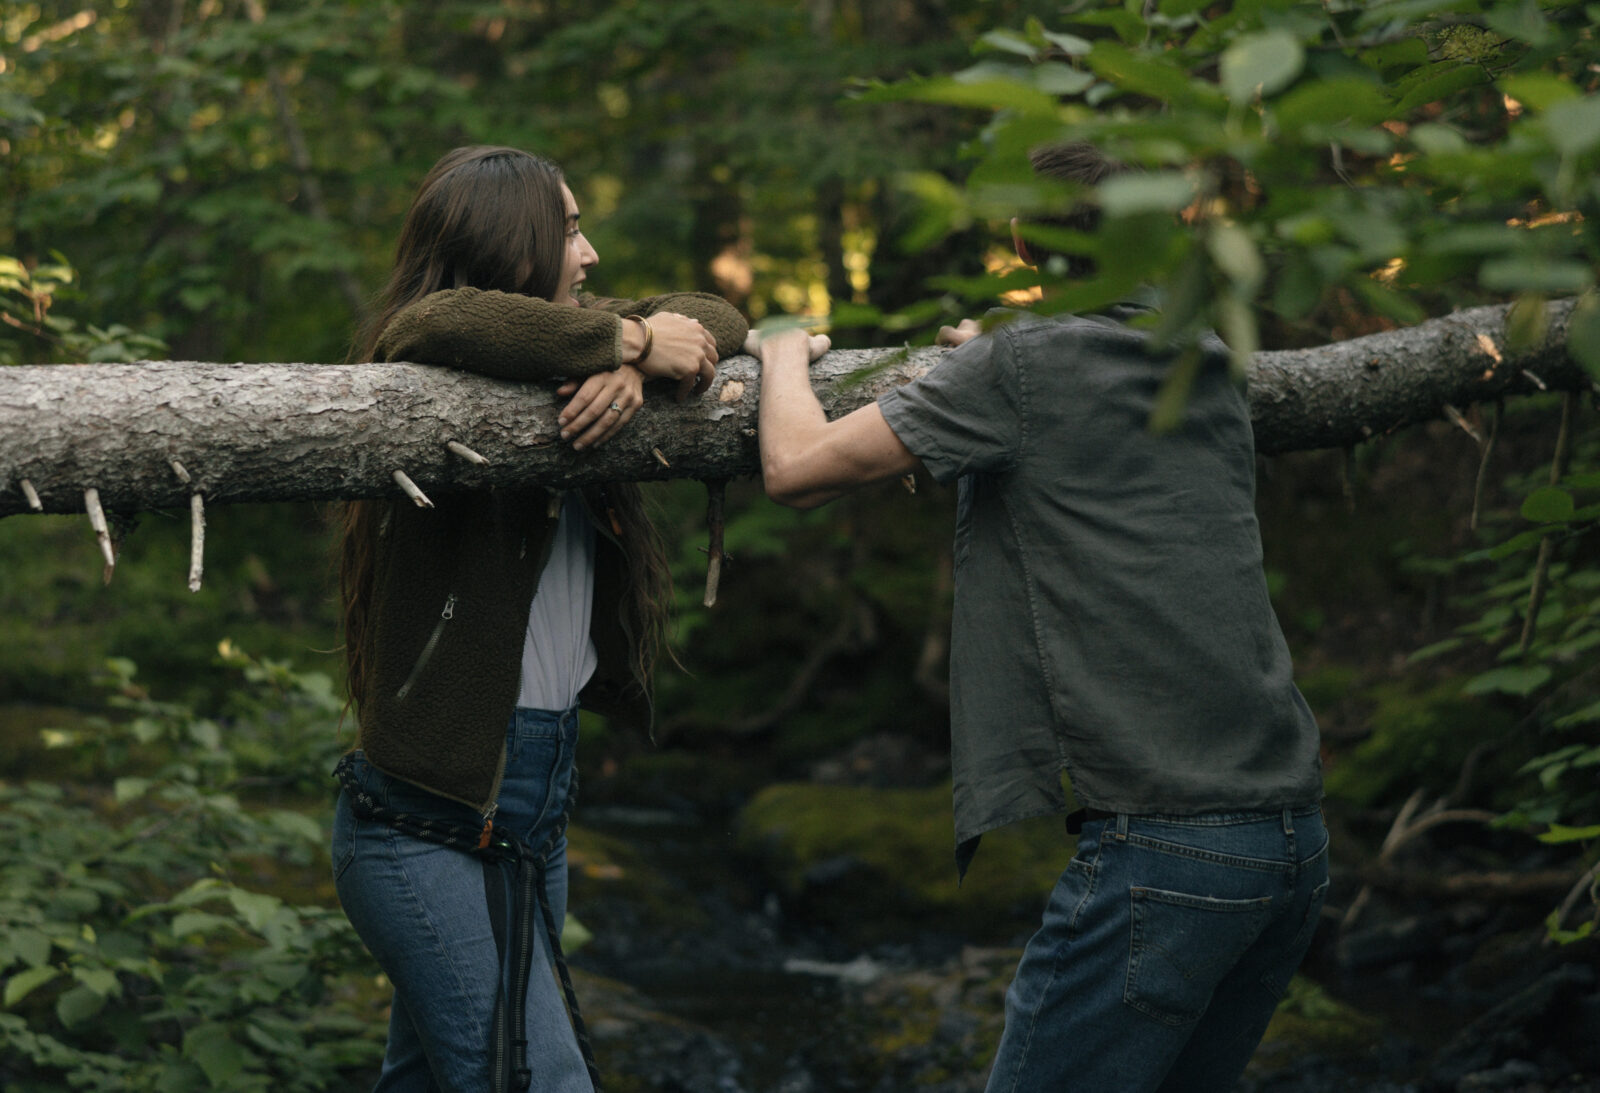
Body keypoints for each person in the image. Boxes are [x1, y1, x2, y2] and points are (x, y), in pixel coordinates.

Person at [747, 142, 1326, 1093]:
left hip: (1165, 848)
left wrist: (779, 348)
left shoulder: (1022, 365)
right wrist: (994, 353)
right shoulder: (1208, 355)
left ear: (1021, 241)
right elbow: (1080, 409)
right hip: (1292, 840)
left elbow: (795, 469)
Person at [332, 144, 748, 1093]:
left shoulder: (567, 344)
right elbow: (437, 317)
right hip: (425, 828)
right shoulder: (437, 356)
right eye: (567, 230)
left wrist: (630, 360)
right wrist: (632, 344)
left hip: (534, 812)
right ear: (510, 244)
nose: (589, 252)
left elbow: (717, 317)